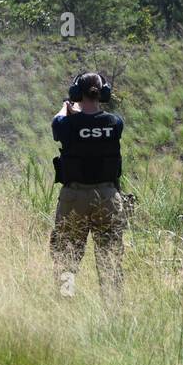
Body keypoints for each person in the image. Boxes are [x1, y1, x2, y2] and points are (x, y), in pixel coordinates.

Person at [50, 72, 125, 298]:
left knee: (67, 257)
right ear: (103, 93)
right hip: (108, 198)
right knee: (109, 258)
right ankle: (112, 307)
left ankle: (65, 301)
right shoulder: (115, 123)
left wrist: (67, 107)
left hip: (74, 197)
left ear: (76, 93)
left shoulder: (66, 123)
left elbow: (57, 124)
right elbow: (95, 127)